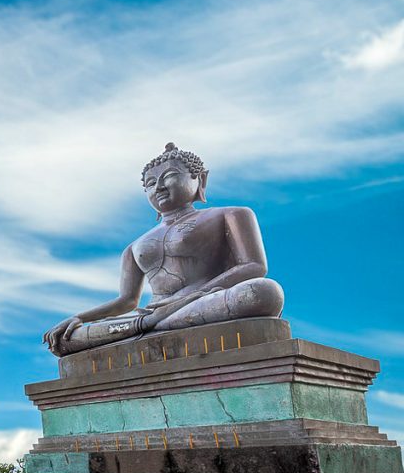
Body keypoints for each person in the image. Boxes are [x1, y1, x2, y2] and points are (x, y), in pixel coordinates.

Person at [43, 143, 284, 357]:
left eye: (169, 176)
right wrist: (80, 318)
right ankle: (150, 325)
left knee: (264, 292)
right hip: (148, 314)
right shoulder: (134, 247)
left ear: (200, 179)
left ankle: (149, 327)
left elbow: (254, 266)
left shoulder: (231, 215)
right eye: (150, 184)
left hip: (201, 302)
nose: (158, 187)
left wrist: (191, 296)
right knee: (65, 340)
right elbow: (126, 301)